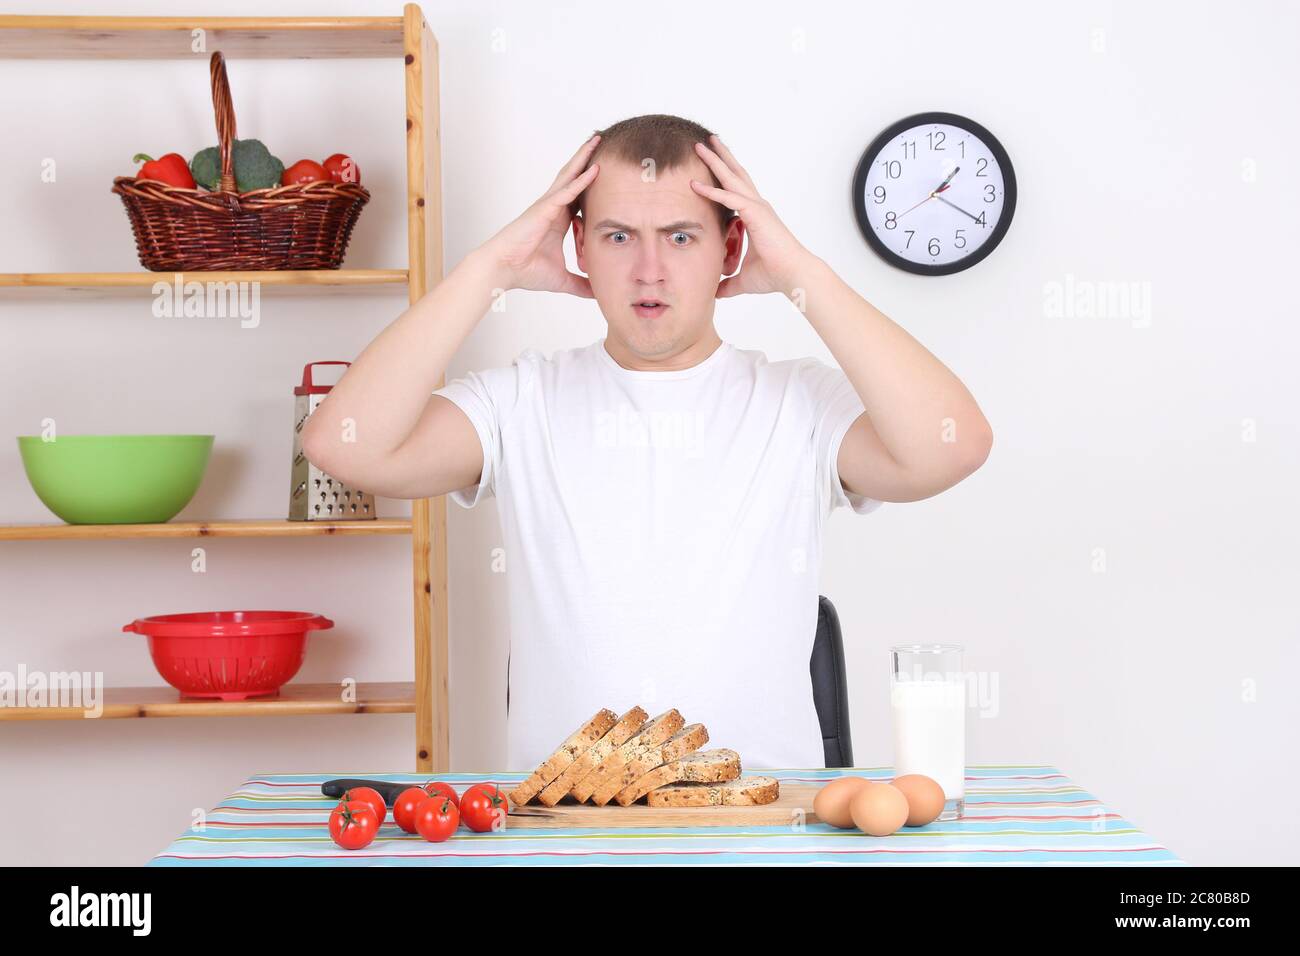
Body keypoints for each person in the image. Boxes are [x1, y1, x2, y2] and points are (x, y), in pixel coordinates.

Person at [302, 113, 993, 771]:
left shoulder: (801, 404)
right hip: (568, 829)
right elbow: (344, 446)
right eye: (619, 235)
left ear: (731, 247)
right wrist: (490, 269)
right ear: (578, 244)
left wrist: (803, 276)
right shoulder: (521, 401)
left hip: (767, 828)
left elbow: (950, 445)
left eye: (683, 236)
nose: (650, 270)